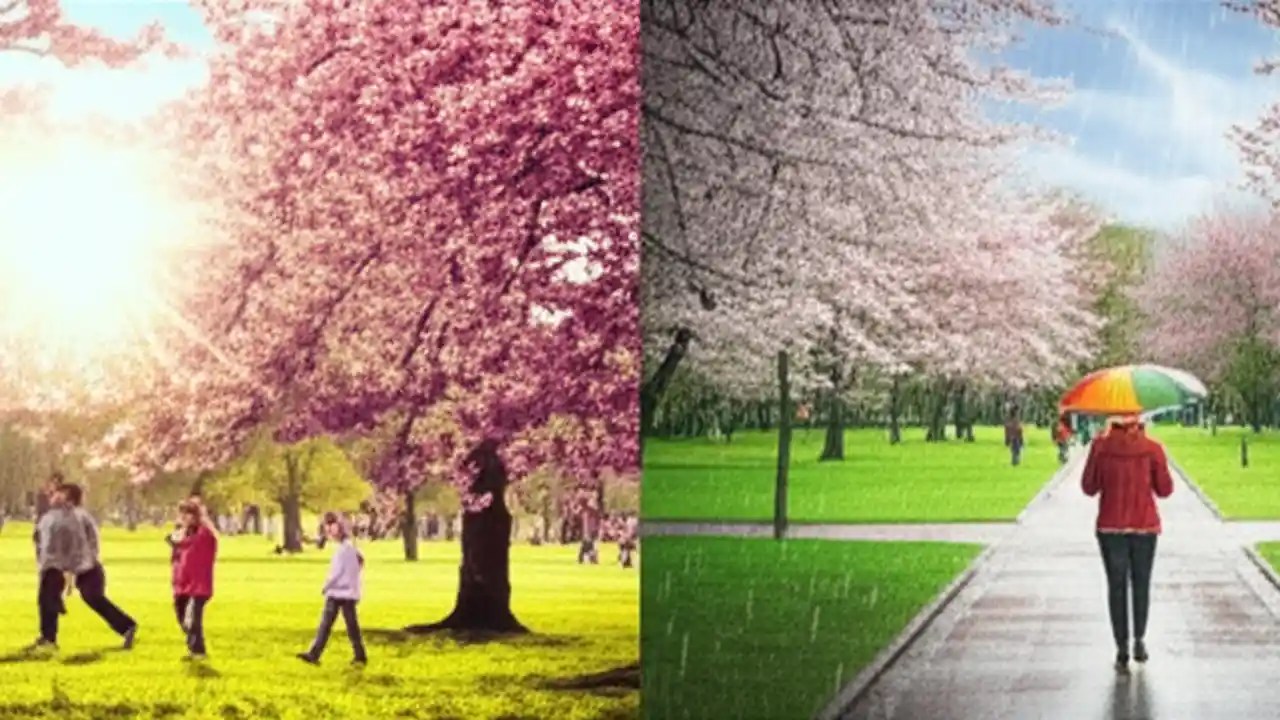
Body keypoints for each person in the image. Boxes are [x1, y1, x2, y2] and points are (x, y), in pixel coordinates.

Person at [1081, 415, 1174, 674]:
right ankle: (1139, 639)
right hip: (1145, 526)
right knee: (1141, 584)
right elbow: (1165, 489)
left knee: (1116, 586)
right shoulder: (1153, 448)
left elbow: (1089, 487)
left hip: (1110, 526)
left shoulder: (1100, 447)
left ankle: (1121, 646)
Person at [65, 484, 139, 648]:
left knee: (94, 598)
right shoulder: (76, 516)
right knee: (92, 598)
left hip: (90, 568)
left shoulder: (76, 517)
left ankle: (128, 626)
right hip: (86, 568)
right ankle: (127, 627)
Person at [297, 512, 367, 666]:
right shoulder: (349, 548)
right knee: (349, 626)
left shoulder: (343, 550)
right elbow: (360, 562)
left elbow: (336, 572)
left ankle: (315, 654)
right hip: (347, 592)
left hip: (338, 592)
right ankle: (358, 655)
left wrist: (326, 585)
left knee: (329, 625)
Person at [30, 482, 92, 653]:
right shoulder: (53, 515)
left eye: (60, 493)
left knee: (48, 601)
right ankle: (46, 636)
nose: (55, 495)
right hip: (48, 564)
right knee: (44, 601)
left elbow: (69, 543)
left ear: (69, 499)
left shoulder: (68, 518)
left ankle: (49, 638)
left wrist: (69, 569)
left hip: (56, 565)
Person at [171, 499, 218, 660]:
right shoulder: (183, 533)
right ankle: (193, 645)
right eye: (182, 514)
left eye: (188, 514)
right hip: (183, 584)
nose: (184, 518)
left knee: (193, 617)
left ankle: (198, 650)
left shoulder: (204, 534)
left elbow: (194, 548)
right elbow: (178, 558)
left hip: (199, 585)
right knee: (182, 615)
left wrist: (179, 541)